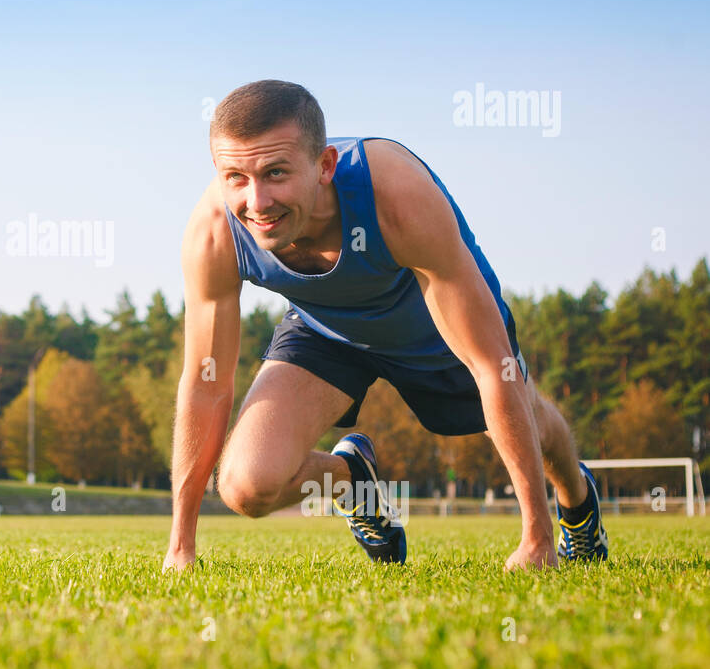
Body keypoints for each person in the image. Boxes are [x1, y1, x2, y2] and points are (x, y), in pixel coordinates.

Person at [164, 80, 608, 572]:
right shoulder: (214, 232)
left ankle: (576, 500)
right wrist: (181, 545)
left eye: (276, 173)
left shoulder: (393, 194)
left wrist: (535, 539)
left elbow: (491, 366)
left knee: (530, 418)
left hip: (430, 325)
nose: (258, 201)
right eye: (236, 178)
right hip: (326, 331)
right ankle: (352, 478)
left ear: (325, 166)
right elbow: (206, 384)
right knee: (246, 486)